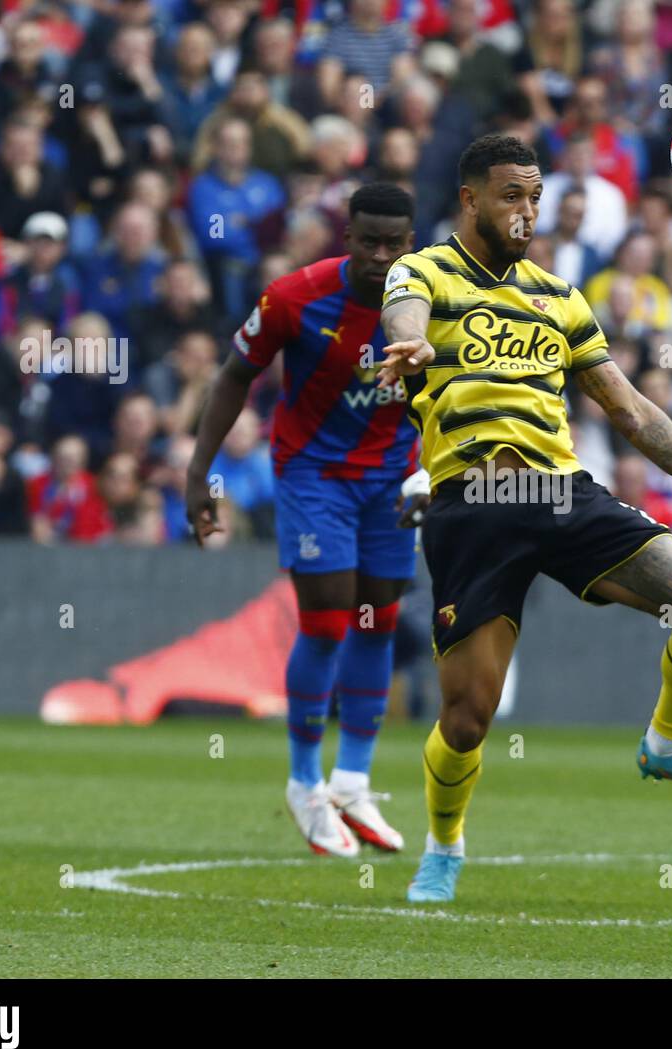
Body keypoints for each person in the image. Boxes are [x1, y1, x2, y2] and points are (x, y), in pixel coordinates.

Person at [374, 135, 672, 903]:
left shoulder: (560, 296)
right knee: (467, 721)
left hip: (562, 494)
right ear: (470, 199)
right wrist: (407, 346)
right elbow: (405, 315)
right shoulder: (422, 269)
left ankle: (667, 744)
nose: (526, 211)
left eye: (533, 196)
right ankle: (445, 843)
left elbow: (629, 411)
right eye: (510, 195)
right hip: (472, 505)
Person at [186, 183, 422, 859]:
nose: (380, 255)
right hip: (314, 474)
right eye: (368, 240)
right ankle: (303, 780)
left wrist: (431, 469)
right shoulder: (295, 296)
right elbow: (235, 375)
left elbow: (458, 391)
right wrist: (198, 470)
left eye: (394, 243)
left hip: (392, 480)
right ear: (345, 237)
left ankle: (353, 780)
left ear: (410, 242)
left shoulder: (434, 299)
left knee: (378, 618)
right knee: (326, 618)